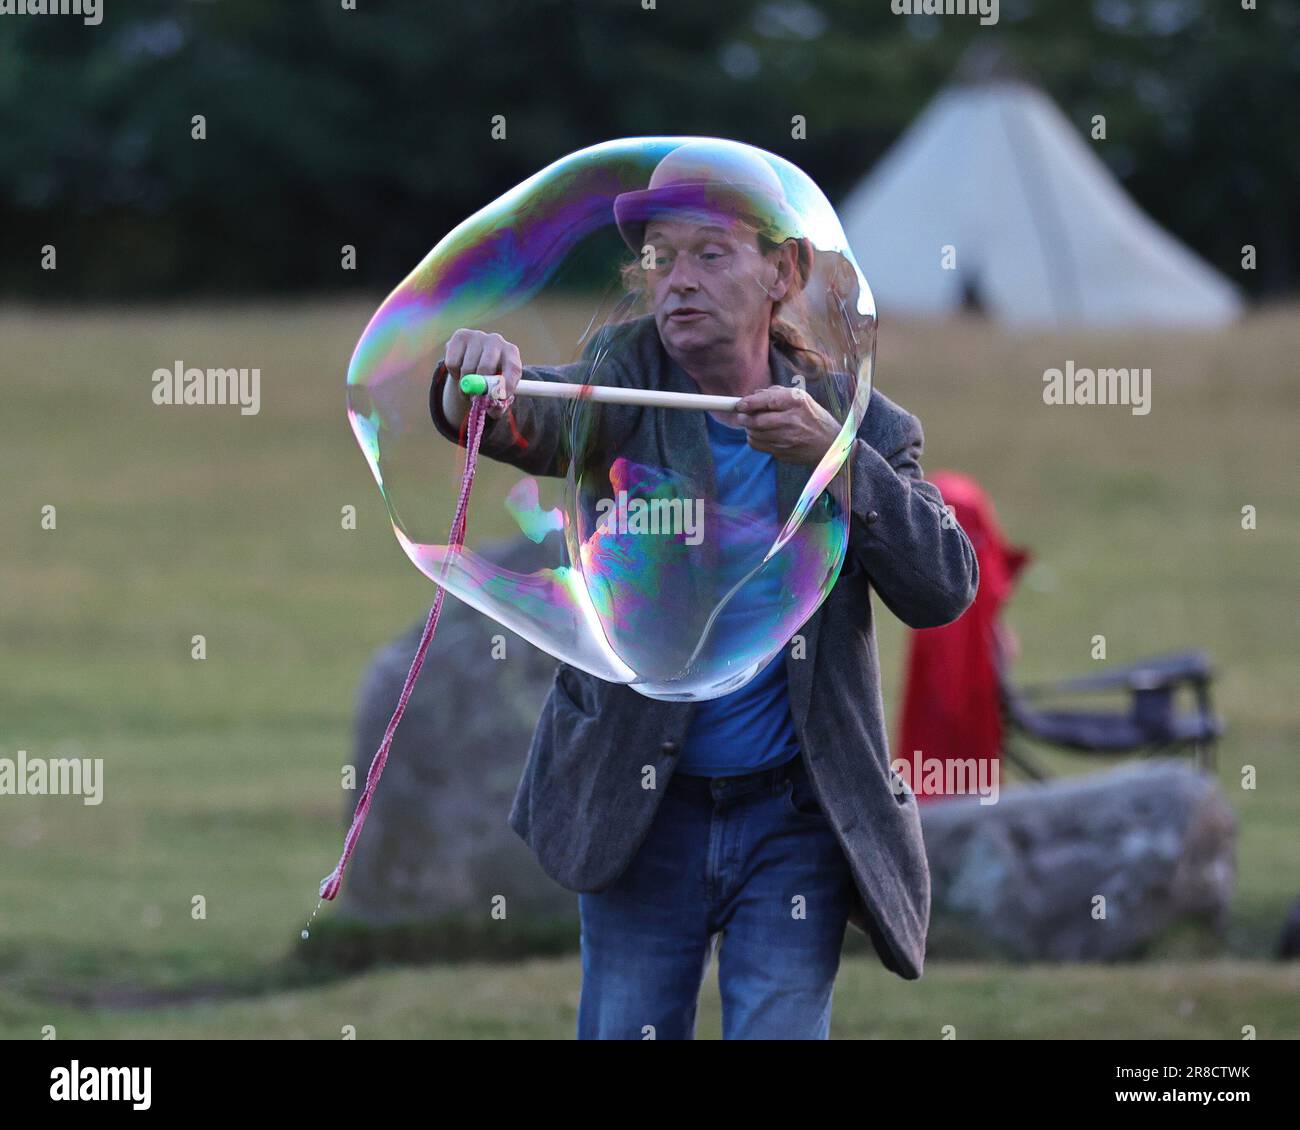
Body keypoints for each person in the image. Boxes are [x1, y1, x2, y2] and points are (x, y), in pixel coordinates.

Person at [430, 141, 979, 1039]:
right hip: (644, 810)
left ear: (784, 271)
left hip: (796, 826)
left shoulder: (860, 421)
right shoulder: (622, 380)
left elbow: (943, 588)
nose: (677, 279)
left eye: (710, 254)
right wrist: (472, 386)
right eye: (659, 258)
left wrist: (836, 462)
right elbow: (518, 414)